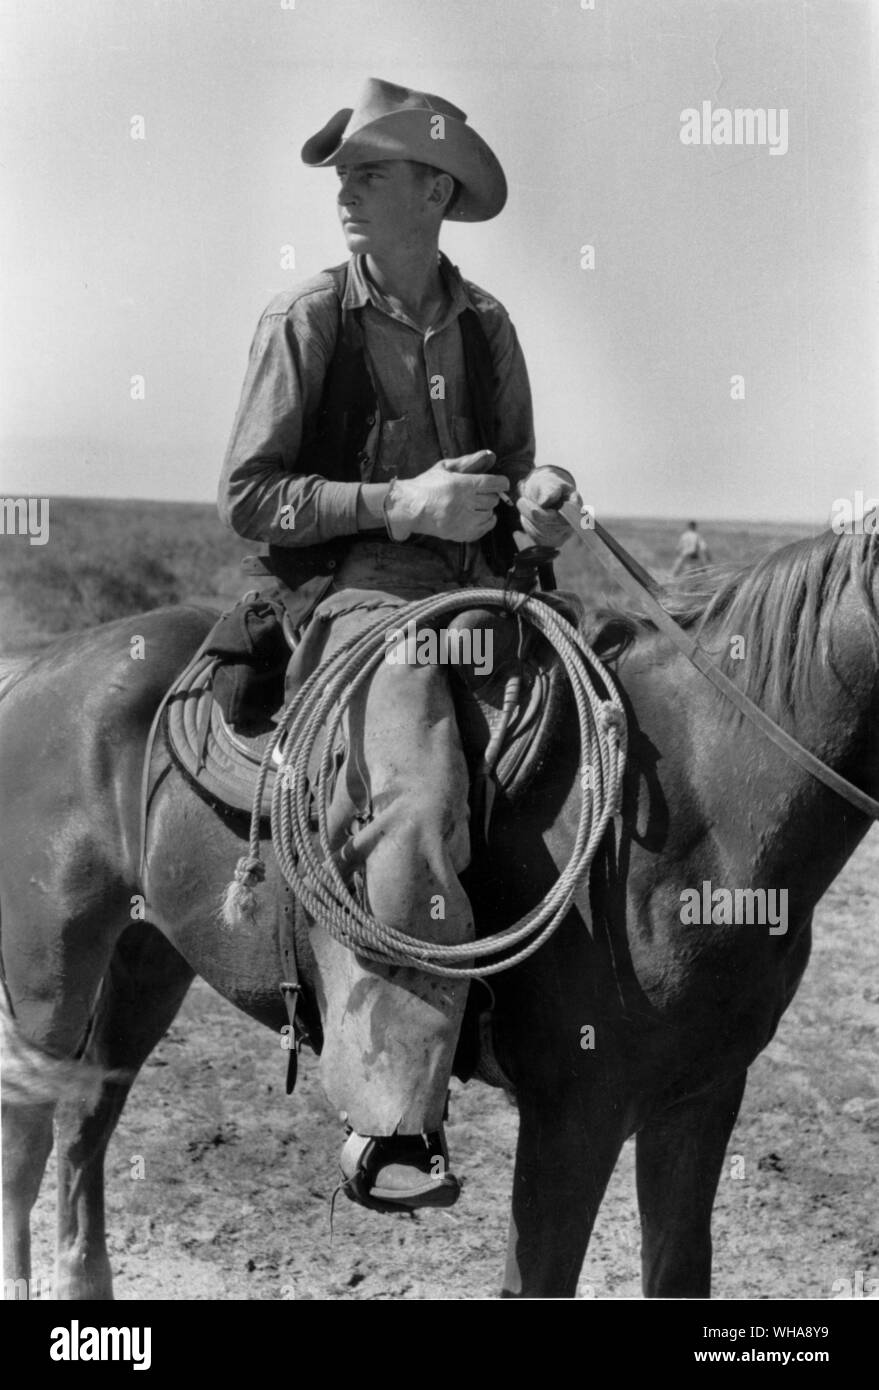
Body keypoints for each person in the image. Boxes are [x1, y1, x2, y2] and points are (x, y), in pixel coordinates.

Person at [218, 78, 581, 1210]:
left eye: (369, 173)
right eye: (343, 175)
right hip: (364, 603)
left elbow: (521, 477)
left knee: (631, 733)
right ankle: (396, 1118)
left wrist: (546, 500)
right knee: (418, 803)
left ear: (436, 188)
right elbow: (249, 498)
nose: (345, 193)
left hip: (492, 597)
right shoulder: (307, 319)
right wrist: (400, 505)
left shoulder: (487, 327)